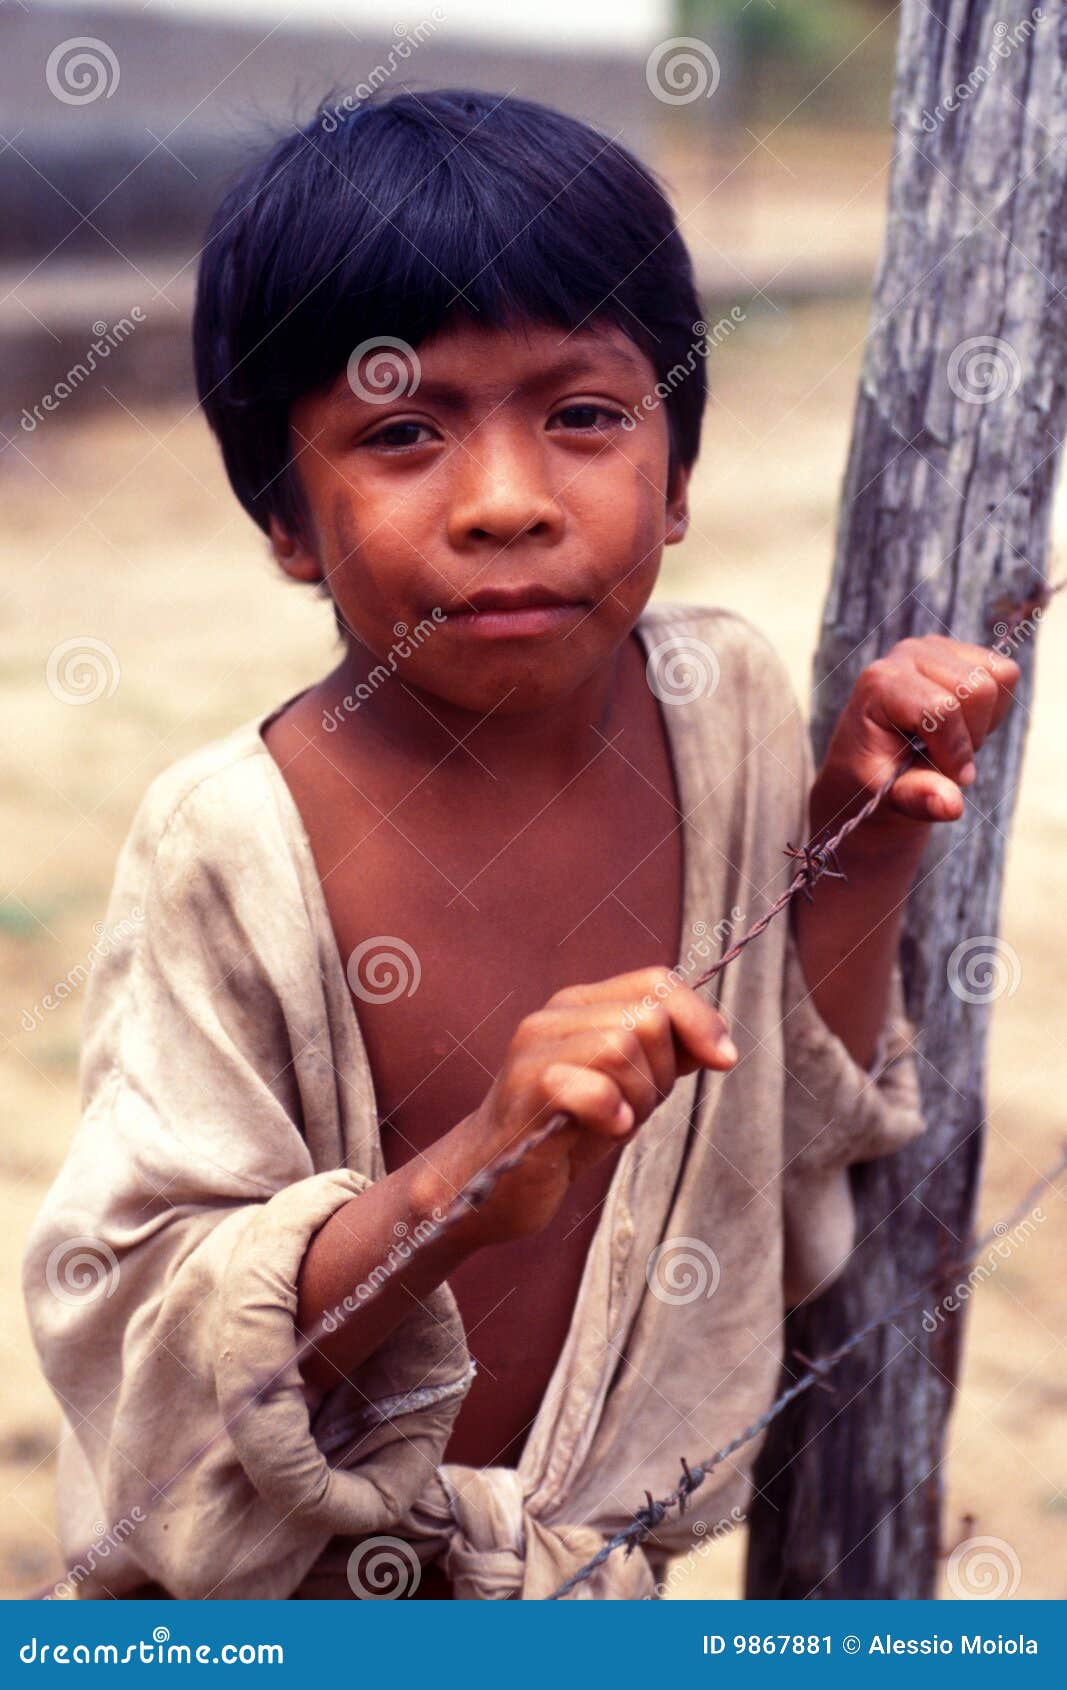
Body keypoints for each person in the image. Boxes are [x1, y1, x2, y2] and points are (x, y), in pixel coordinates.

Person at [23, 88, 1019, 1601]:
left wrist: (863, 840)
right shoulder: (229, 840)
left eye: (584, 417)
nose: (505, 503)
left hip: (589, 1591)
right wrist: (454, 1185)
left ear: (675, 479)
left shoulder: (726, 704)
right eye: (402, 432)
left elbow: (787, 1115)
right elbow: (139, 1316)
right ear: (286, 521)